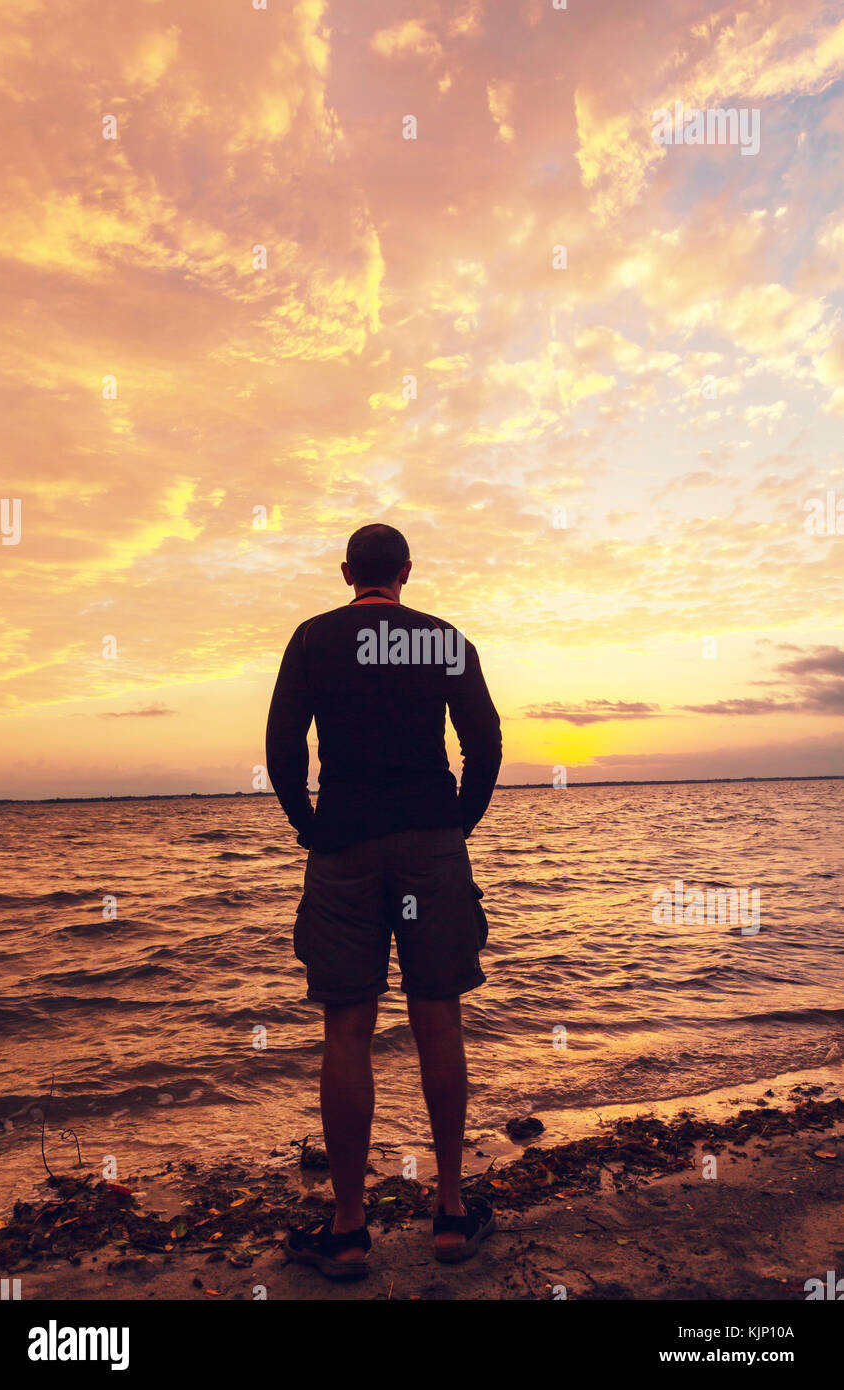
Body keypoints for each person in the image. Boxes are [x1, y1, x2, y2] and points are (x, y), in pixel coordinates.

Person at [266, 523, 502, 1279]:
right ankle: (451, 1214)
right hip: (430, 840)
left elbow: (281, 747)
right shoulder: (441, 639)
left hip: (344, 845)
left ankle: (346, 1227)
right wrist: (456, 820)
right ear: (405, 571)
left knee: (348, 1027)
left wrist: (311, 823)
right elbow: (486, 741)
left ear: (346, 573)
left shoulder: (312, 640)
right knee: (438, 1017)